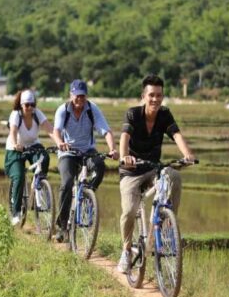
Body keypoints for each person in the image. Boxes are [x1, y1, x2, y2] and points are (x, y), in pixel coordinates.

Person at [117, 74, 195, 272]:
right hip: (131, 171)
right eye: (151, 95)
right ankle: (126, 251)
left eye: (159, 95)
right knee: (129, 211)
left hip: (153, 168)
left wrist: (187, 155)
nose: (155, 99)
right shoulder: (133, 114)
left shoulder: (164, 114)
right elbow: (124, 137)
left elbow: (176, 134)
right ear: (143, 96)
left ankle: (168, 225)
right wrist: (125, 156)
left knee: (174, 176)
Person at [53, 79, 119, 241]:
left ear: (86, 96)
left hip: (88, 150)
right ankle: (62, 226)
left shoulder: (92, 109)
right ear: (70, 95)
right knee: (67, 183)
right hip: (68, 152)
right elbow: (56, 130)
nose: (79, 100)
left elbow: (106, 130)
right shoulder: (63, 110)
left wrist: (112, 149)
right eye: (76, 96)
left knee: (100, 166)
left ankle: (87, 194)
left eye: (82, 96)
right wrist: (60, 143)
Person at [4, 89, 57, 225]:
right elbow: (13, 130)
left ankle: (38, 182)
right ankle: (16, 212)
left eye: (32, 105)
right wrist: (16, 144)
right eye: (27, 105)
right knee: (19, 175)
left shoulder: (37, 114)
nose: (29, 108)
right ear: (21, 105)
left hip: (33, 145)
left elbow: (49, 129)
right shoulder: (16, 115)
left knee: (44, 157)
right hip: (15, 148)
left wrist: (60, 143)